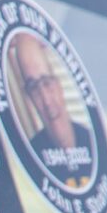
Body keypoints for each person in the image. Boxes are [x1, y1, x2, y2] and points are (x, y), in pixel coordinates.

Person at [10, 31, 95, 189]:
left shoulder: (93, 144)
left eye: (47, 83)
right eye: (34, 88)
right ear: (29, 97)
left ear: (59, 85)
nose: (46, 100)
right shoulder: (31, 157)